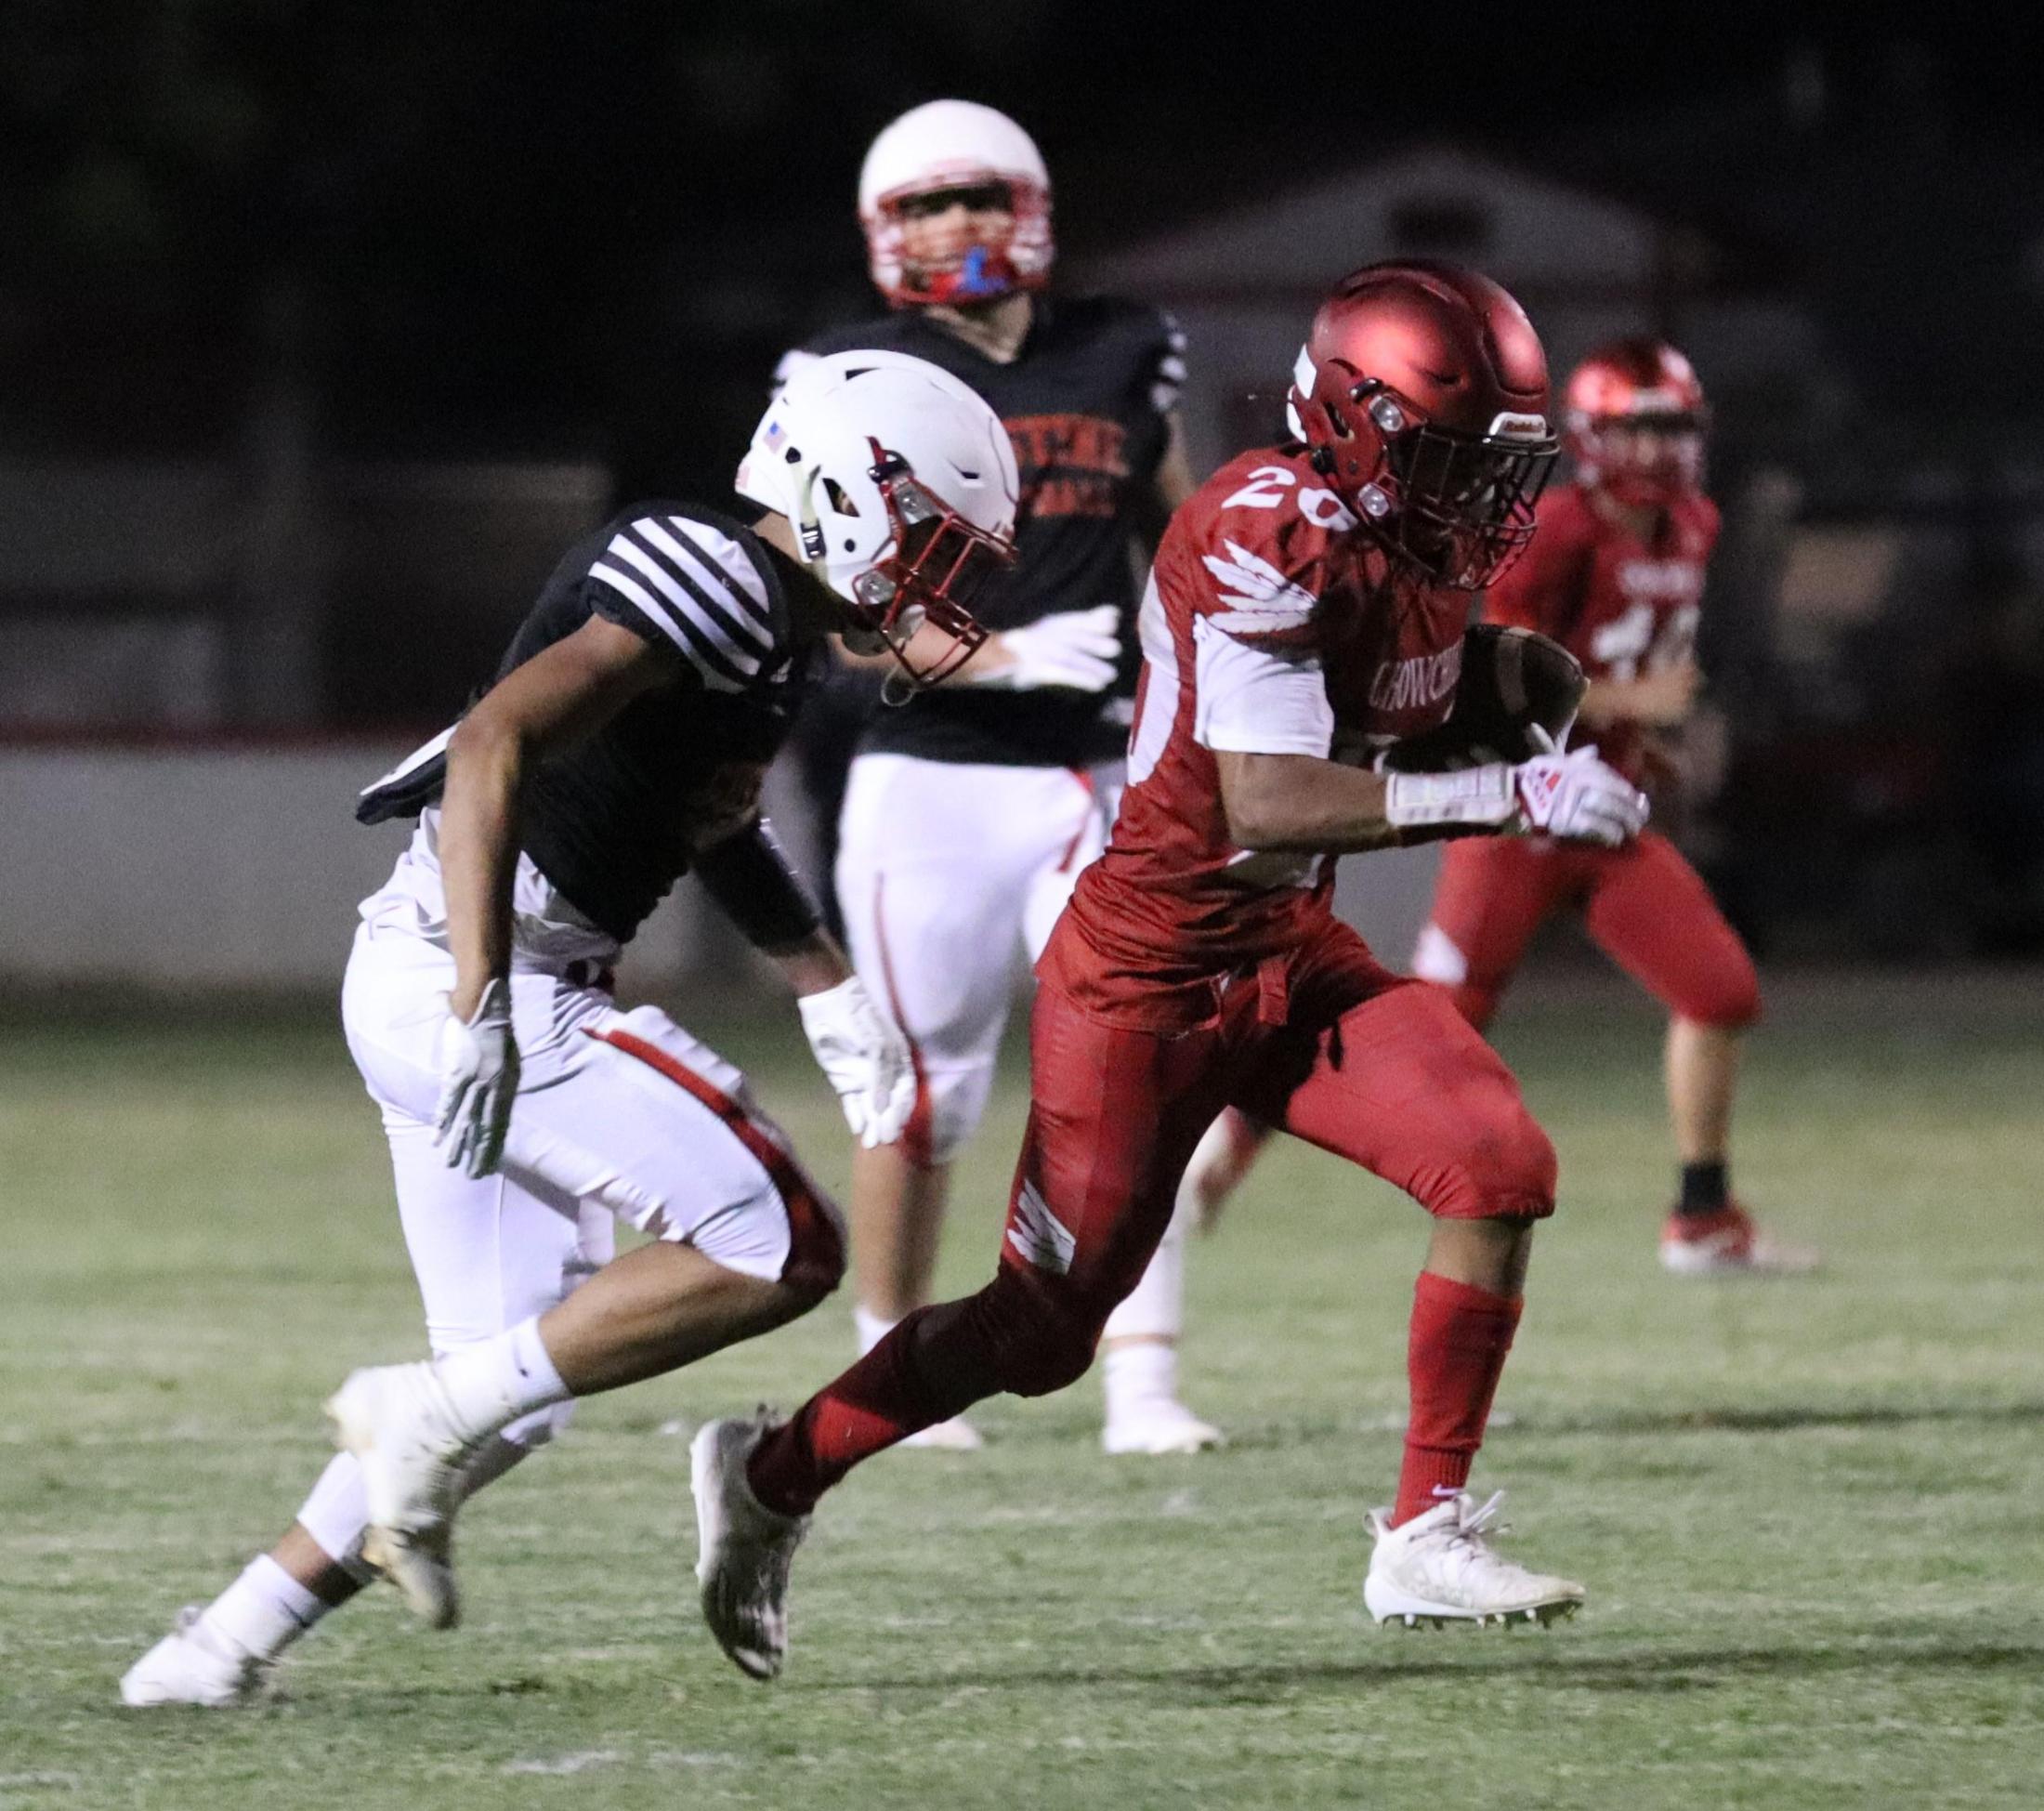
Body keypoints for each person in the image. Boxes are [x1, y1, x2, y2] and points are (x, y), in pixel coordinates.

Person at [688, 261, 1655, 1684]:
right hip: (1146, 978)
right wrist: (1506, 798)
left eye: (1499, 464)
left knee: (1497, 1164)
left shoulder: (1415, 537)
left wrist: (1520, 685)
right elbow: (1268, 797)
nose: (1485, 497)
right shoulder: (1260, 527)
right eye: (1457, 455)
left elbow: (1411, 689)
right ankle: (773, 1474)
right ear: (1360, 418)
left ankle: (1423, 1532)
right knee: (1041, 1330)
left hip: (1285, 954)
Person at [118, 350, 1019, 1706]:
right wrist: (485, 1004)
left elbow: (710, 817)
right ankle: (409, 1421)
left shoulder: (760, 617)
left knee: (514, 1387)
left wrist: (825, 985)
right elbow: (493, 743)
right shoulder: (709, 572)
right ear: (847, 494)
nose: (938, 590)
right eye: (934, 548)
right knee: (781, 1241)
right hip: (484, 978)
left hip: (452, 975)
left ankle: (218, 1647)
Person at [776, 99, 1215, 1455]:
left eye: (974, 197)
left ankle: (1142, 1371)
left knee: (1144, 1068)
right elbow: (818, 596)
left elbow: (1189, 543)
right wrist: (999, 653)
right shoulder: (845, 368)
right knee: (919, 1091)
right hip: (928, 774)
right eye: (922, 206)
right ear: (878, 231)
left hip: (1091, 774)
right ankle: (893, 1371)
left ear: (1026, 203)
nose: (954, 225)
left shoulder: (1118, 350)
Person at [1410, 338, 1817, 1274]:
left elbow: (1634, 662)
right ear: (1594, 435)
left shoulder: (1696, 524)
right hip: (1517, 809)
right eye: (1639, 428)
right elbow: (1500, 675)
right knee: (1434, 1032)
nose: (1660, 448)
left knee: (1720, 992)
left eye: (1673, 425)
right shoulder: (1554, 526)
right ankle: (1249, 1120)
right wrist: (1637, 704)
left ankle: (1702, 1216)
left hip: (1604, 817)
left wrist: (1650, 740)